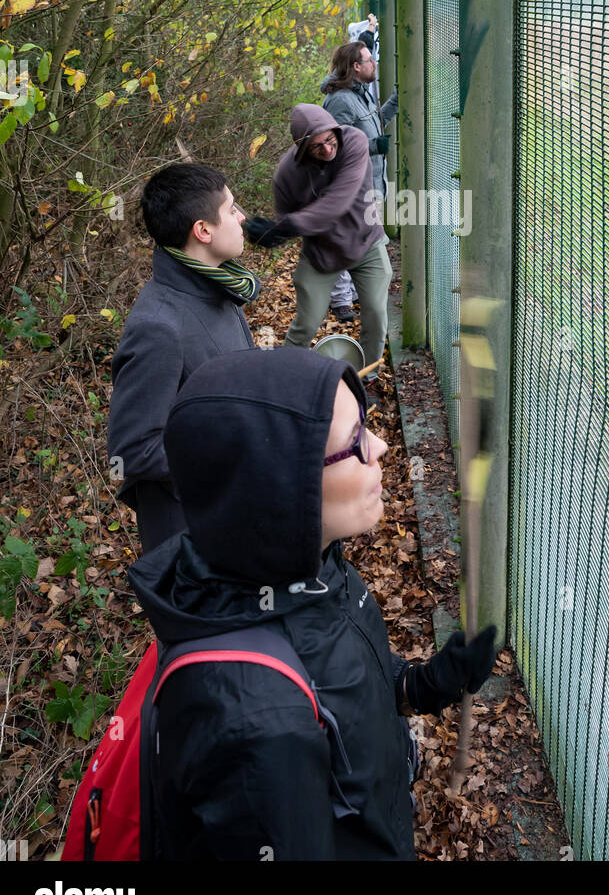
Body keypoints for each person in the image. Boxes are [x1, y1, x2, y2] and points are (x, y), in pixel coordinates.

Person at [128, 346, 497, 860]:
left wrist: (426, 684)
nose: (383, 445)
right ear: (281, 483)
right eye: (355, 442)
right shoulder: (254, 721)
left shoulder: (309, 569)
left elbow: (344, 692)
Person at [107, 162, 258, 553]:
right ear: (203, 230)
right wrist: (235, 452)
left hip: (233, 512)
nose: (242, 218)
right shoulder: (159, 327)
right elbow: (134, 450)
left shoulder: (214, 287)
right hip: (194, 537)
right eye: (231, 209)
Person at [244, 105, 392, 391]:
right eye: (316, 146)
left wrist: (289, 226)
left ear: (336, 132)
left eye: (329, 140)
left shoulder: (354, 142)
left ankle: (368, 378)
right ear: (302, 149)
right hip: (322, 253)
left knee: (375, 311)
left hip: (366, 244)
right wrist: (273, 232)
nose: (326, 149)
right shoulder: (287, 174)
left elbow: (338, 201)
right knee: (307, 321)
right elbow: (284, 216)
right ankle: (285, 378)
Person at [321, 37, 398, 323]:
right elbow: (331, 145)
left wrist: (395, 102)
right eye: (369, 60)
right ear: (356, 66)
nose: (374, 63)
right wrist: (373, 146)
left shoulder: (362, 92)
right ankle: (340, 302)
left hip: (372, 183)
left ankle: (351, 294)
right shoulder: (339, 101)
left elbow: (374, 123)